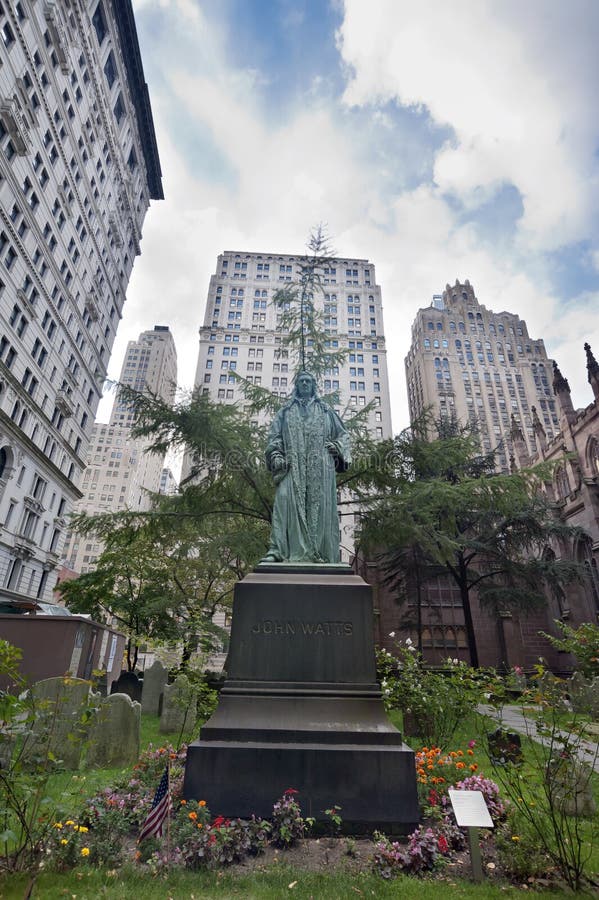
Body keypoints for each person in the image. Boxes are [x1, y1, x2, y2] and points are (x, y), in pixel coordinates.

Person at [262, 371, 350, 563]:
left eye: (308, 381)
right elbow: (274, 439)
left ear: (313, 385)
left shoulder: (326, 411)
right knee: (283, 500)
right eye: (301, 381)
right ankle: (277, 550)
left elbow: (343, 436)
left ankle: (322, 553)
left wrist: (336, 447)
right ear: (296, 386)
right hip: (292, 466)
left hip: (321, 467)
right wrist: (276, 455)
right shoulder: (285, 412)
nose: (304, 383)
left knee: (320, 508)